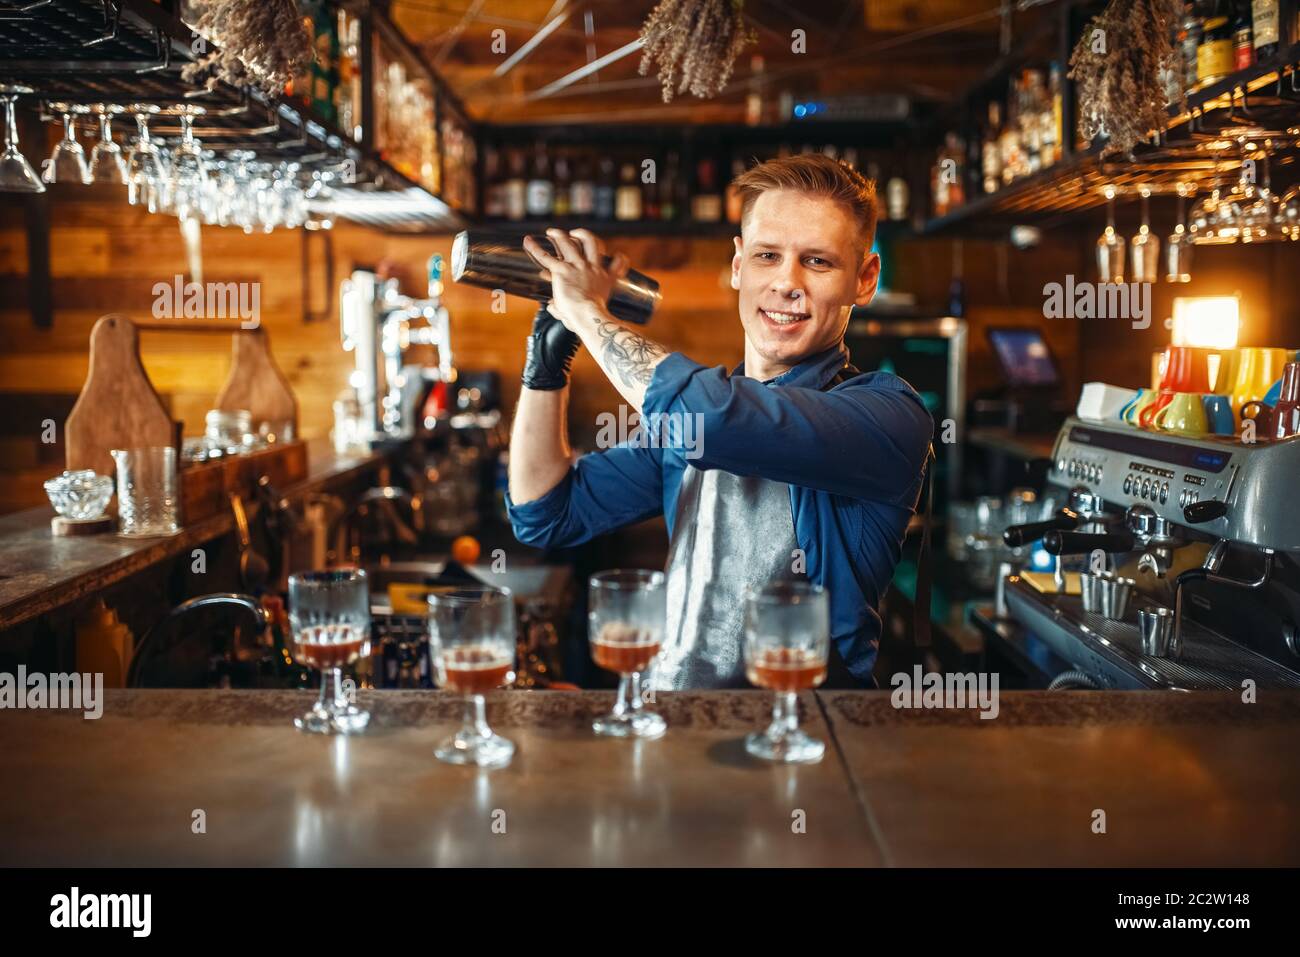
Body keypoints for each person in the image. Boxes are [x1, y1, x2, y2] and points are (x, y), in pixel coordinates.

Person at [505, 154, 933, 689]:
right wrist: (547, 362)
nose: (786, 282)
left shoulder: (886, 416)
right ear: (737, 266)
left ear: (864, 279)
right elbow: (546, 512)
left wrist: (590, 315)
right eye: (767, 256)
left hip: (808, 739)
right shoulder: (690, 414)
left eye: (818, 262)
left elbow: (715, 420)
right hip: (677, 730)